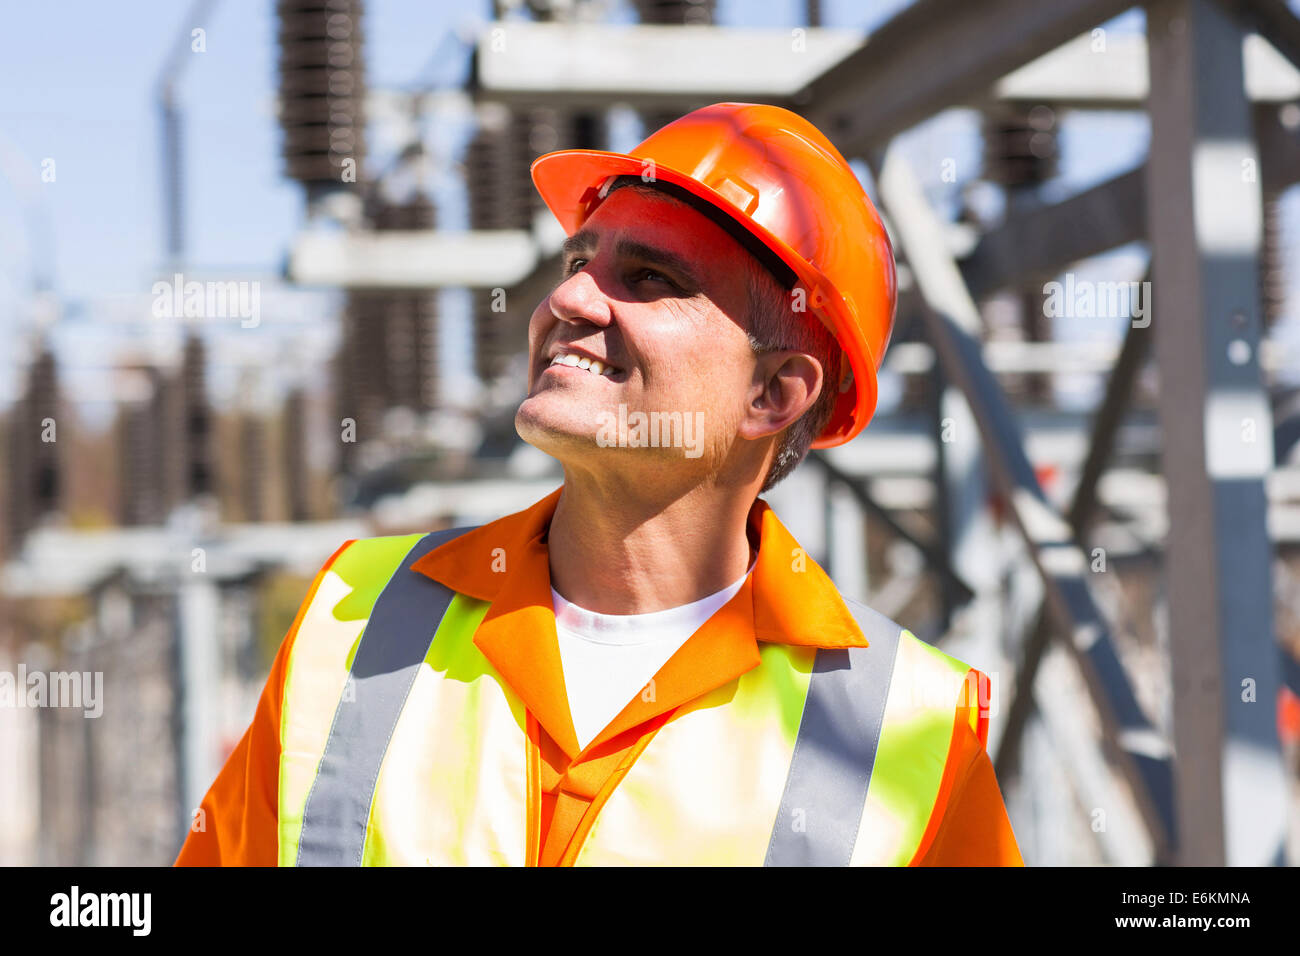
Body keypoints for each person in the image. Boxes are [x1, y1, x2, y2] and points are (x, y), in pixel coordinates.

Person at [176, 102, 1023, 866]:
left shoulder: (907, 732)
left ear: (772, 395)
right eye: (581, 258)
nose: (572, 296)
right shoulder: (353, 620)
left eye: (652, 279)